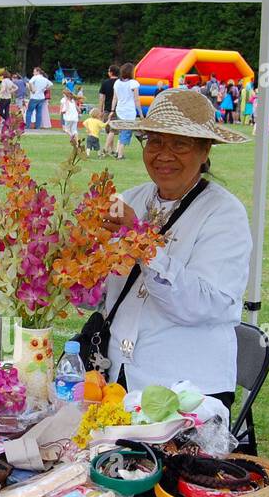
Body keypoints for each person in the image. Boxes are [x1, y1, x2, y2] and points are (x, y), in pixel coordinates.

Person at [101, 87, 251, 403]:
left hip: (187, 388)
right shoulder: (130, 199)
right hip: (116, 375)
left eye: (179, 144)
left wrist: (141, 241)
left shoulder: (225, 214)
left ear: (205, 150)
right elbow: (100, 294)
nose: (163, 155)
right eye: (154, 141)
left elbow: (201, 305)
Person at [111, 62, 140, 159]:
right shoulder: (133, 83)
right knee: (126, 132)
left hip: (120, 109)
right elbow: (136, 99)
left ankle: (117, 150)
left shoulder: (117, 83)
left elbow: (115, 98)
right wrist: (141, 113)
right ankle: (120, 155)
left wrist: (112, 110)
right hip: (129, 111)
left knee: (122, 131)